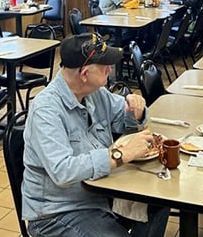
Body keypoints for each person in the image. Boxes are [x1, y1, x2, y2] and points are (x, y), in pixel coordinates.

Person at [22, 33, 169, 237]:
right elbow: (62, 171)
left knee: (160, 201)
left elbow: (122, 118)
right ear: (84, 73)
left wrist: (137, 110)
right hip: (58, 214)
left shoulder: (94, 91)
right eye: (104, 66)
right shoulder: (46, 111)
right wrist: (121, 154)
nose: (110, 69)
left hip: (101, 194)